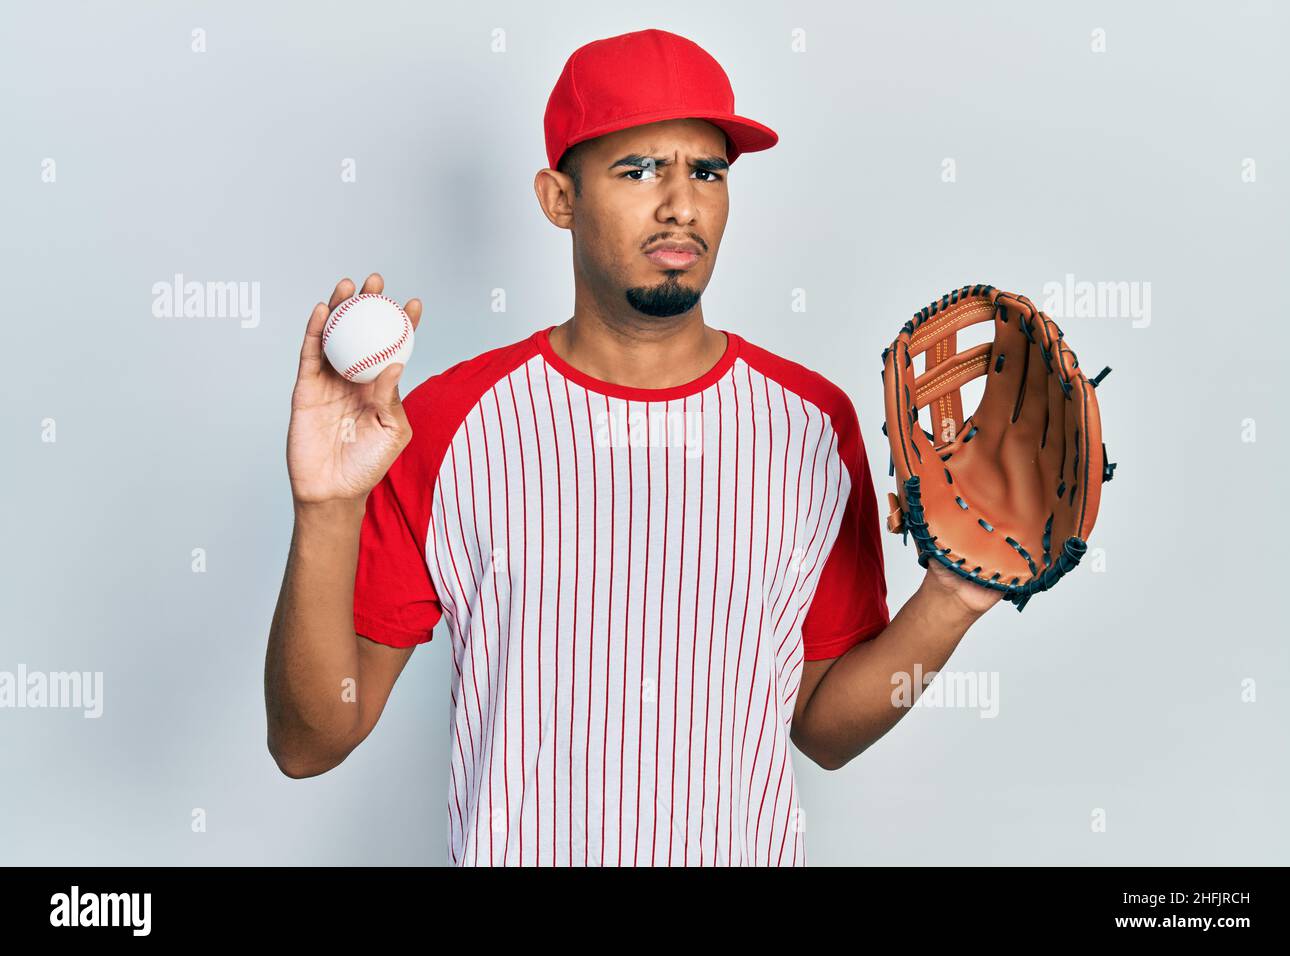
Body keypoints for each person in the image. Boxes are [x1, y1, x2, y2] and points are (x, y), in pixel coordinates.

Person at [264, 28, 999, 867]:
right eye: (639, 169)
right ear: (558, 198)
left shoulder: (812, 425)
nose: (681, 203)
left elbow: (824, 730)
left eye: (707, 171)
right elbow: (310, 743)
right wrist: (325, 509)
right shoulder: (444, 422)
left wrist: (952, 597)